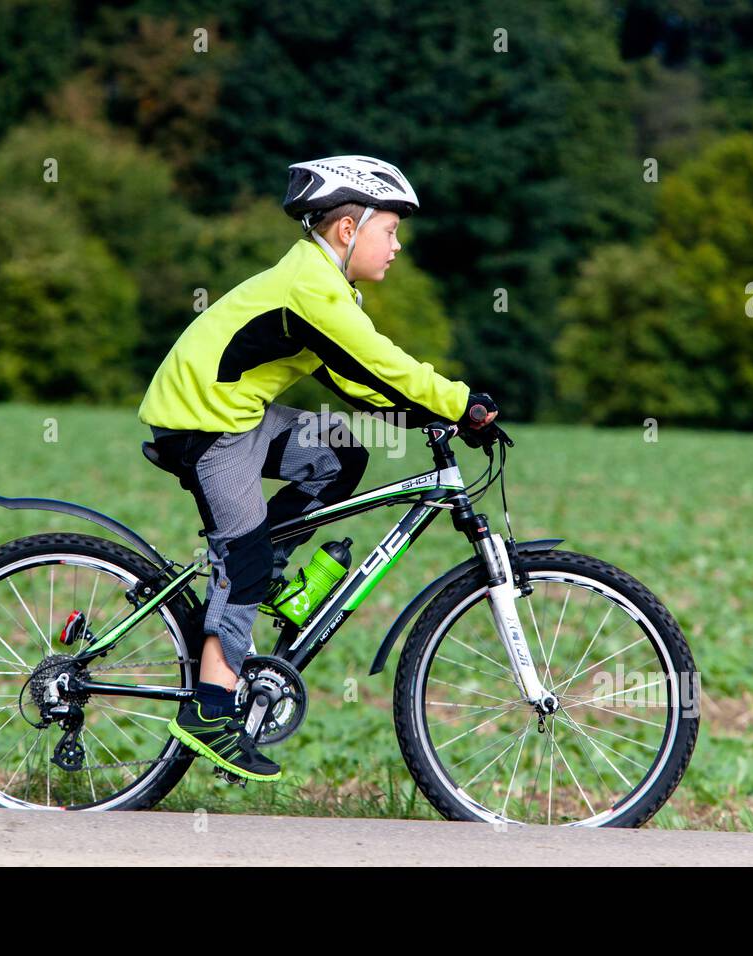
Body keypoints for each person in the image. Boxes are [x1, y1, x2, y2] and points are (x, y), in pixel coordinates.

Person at [138, 155, 499, 781]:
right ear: (346, 231)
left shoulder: (322, 285)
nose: (398, 245)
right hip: (204, 425)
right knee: (241, 561)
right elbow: (380, 364)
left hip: (239, 416)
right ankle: (210, 708)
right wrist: (460, 402)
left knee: (340, 452)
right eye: (390, 230)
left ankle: (263, 572)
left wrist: (427, 419)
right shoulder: (312, 288)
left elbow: (354, 383)